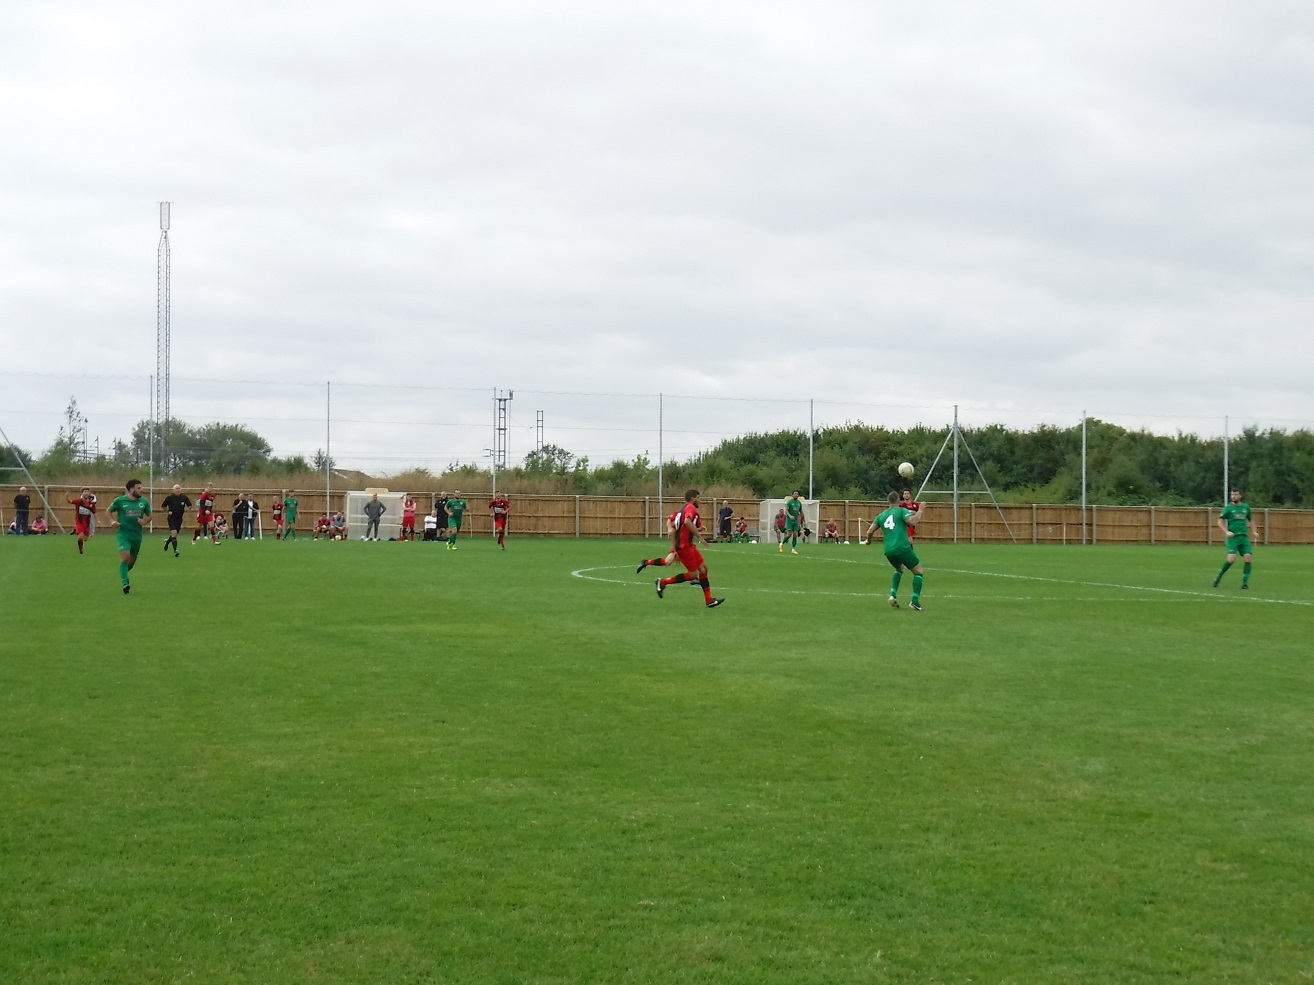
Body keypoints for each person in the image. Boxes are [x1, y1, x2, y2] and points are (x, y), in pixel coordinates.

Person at [652, 489, 723, 609]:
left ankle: (709, 600)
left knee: (703, 569)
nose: (700, 501)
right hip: (684, 546)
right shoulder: (691, 508)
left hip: (688, 545)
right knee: (693, 575)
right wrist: (700, 537)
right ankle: (663, 582)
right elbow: (687, 521)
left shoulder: (683, 509)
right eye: (698, 498)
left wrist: (697, 530)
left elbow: (680, 527)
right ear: (693, 498)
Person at [865, 491, 926, 611]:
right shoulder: (901, 511)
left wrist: (869, 541)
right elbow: (912, 522)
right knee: (918, 571)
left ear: (888, 501)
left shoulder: (881, 515)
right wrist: (920, 510)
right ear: (899, 500)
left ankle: (892, 595)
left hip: (888, 550)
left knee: (899, 568)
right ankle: (914, 601)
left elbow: (870, 531)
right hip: (902, 547)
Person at [108, 478, 151, 595]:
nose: (141, 490)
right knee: (125, 557)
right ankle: (125, 583)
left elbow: (150, 515)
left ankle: (124, 574)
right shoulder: (119, 501)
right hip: (123, 534)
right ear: (131, 489)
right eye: (139, 488)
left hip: (137, 536)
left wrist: (145, 521)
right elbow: (108, 511)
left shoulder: (144, 502)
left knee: (130, 563)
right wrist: (112, 521)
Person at [1214, 488, 1258, 589]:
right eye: (1232, 494)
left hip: (1244, 537)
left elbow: (1251, 520)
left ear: (1240, 496)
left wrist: (1254, 531)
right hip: (1233, 538)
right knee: (1231, 560)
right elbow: (1220, 522)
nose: (1233, 496)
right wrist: (1226, 532)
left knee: (1248, 558)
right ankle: (1218, 577)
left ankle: (1244, 583)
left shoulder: (1245, 507)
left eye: (1235, 494)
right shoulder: (1228, 508)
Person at [636, 507, 684, 573]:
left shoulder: (692, 514)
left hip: (685, 542)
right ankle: (646, 562)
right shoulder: (679, 513)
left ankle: (696, 577)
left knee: (669, 561)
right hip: (680, 543)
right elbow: (669, 521)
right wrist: (670, 529)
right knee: (668, 561)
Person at [160, 483, 192, 557]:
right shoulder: (169, 498)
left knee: (174, 535)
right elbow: (163, 506)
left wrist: (189, 508)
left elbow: (189, 505)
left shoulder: (184, 497)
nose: (178, 490)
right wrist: (168, 511)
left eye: (179, 488)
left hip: (179, 519)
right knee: (174, 534)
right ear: (173, 490)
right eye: (176, 488)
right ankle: (175, 550)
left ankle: (167, 543)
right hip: (171, 518)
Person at [68, 488, 97, 555]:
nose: (86, 493)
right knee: (80, 537)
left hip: (87, 523)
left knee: (85, 539)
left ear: (89, 494)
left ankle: (76, 531)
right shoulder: (79, 501)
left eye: (87, 492)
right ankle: (81, 550)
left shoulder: (91, 503)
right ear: (82, 493)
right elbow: (70, 501)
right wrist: (67, 496)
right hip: (79, 522)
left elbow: (94, 512)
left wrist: (98, 520)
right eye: (84, 492)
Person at [779, 490, 804, 554]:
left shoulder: (799, 503)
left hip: (796, 521)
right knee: (789, 534)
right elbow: (786, 511)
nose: (796, 495)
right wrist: (790, 516)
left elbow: (801, 511)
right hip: (790, 520)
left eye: (797, 494)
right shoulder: (789, 502)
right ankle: (781, 544)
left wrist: (802, 518)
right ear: (792, 495)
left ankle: (793, 549)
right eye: (795, 494)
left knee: (795, 534)